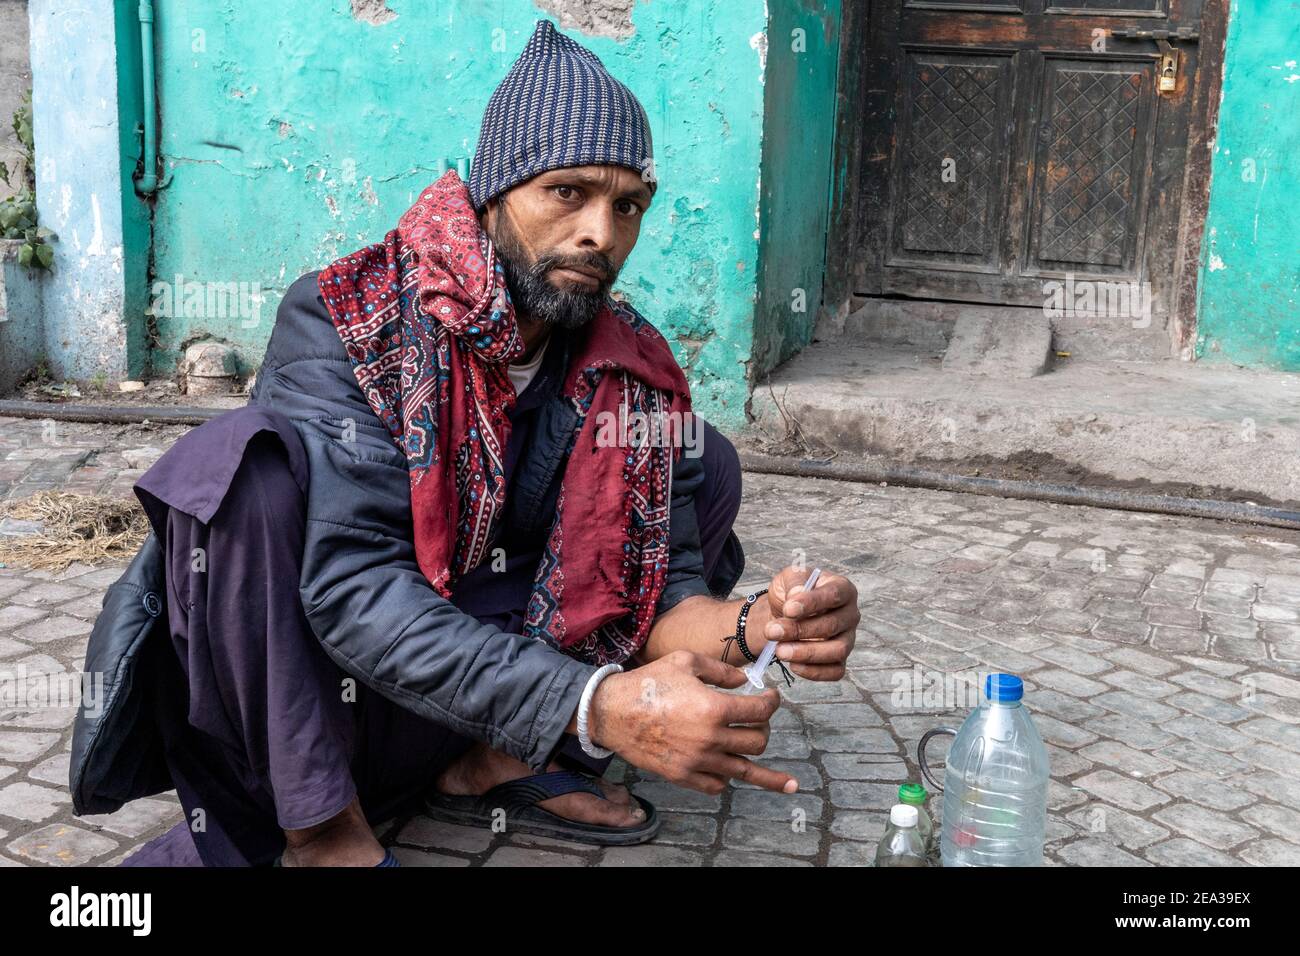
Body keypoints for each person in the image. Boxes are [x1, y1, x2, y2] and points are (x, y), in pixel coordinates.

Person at [114, 19, 859, 867]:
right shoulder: (350, 320)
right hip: (341, 691)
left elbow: (665, 591)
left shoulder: (629, 365)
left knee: (703, 455)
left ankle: (492, 763)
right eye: (567, 193)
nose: (601, 234)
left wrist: (758, 625)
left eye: (628, 205)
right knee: (244, 476)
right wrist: (594, 705)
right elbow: (354, 590)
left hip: (475, 688)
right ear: (495, 194)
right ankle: (324, 833)